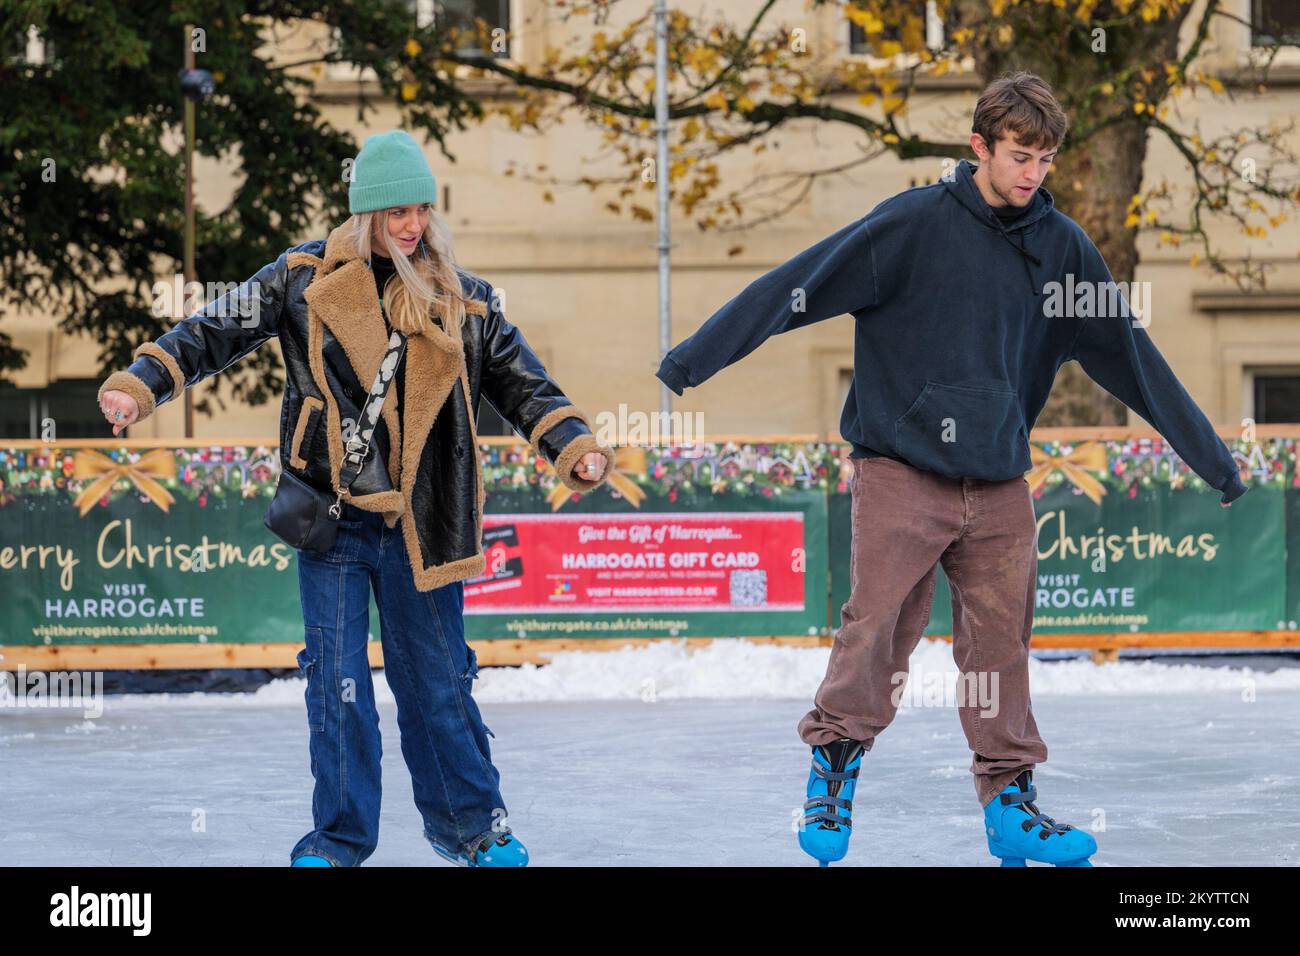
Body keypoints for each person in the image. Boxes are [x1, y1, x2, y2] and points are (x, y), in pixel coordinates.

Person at [655, 72, 1247, 867]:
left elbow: (1133, 361)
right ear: (979, 147)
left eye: (1045, 158)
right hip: (901, 471)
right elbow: (797, 285)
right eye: (1018, 155)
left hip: (1000, 480)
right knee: (879, 630)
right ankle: (833, 772)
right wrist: (694, 360)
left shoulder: (1063, 248)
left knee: (1000, 644)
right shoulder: (910, 225)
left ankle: (1010, 801)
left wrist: (1211, 458)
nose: (1032, 172)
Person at [97, 129, 615, 867]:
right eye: (395, 212)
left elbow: (521, 381)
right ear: (365, 213)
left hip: (424, 522)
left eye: (420, 211)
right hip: (333, 516)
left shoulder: (461, 299)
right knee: (336, 688)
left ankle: (472, 828)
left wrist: (573, 443)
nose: (410, 226)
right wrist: (139, 384)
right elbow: (215, 330)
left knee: (438, 685)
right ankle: (337, 840)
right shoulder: (303, 278)